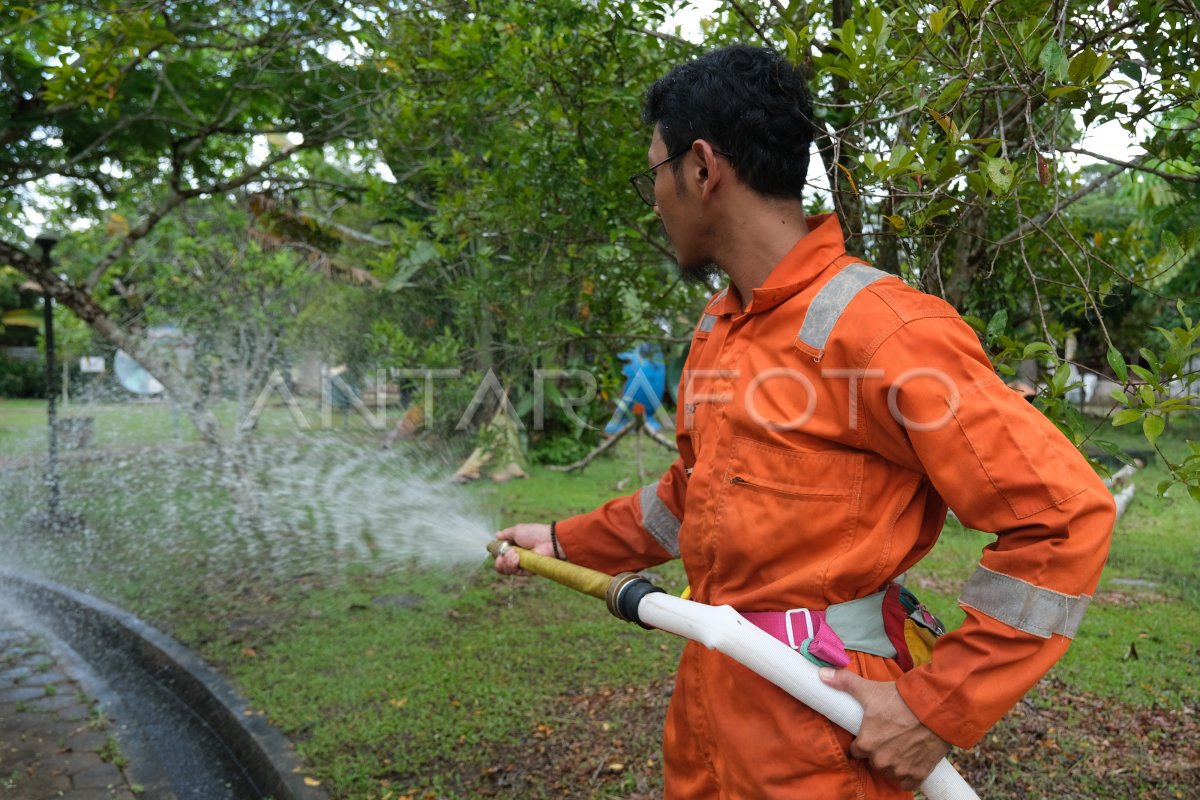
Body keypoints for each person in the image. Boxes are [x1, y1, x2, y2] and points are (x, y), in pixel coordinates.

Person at [494, 44, 1115, 799]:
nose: (653, 198)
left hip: (824, 725)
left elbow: (1063, 518)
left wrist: (936, 707)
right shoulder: (720, 328)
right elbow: (692, 497)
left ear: (700, 169)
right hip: (712, 703)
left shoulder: (886, 331)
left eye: (652, 173)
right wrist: (564, 542)